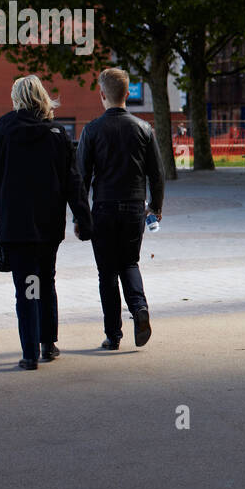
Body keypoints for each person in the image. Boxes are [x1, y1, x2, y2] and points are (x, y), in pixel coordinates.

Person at [0, 75, 92, 370]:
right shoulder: (57, 133)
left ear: (16, 98)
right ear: (43, 97)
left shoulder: (4, 130)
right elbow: (74, 181)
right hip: (47, 224)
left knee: (27, 286)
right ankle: (48, 343)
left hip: (16, 225)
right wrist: (83, 219)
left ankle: (29, 352)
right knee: (46, 281)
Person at [77, 68, 165, 351]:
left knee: (107, 273)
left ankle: (113, 335)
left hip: (102, 207)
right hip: (133, 207)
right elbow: (157, 173)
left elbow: (82, 177)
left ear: (102, 94)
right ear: (127, 94)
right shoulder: (144, 129)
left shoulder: (91, 130)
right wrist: (156, 206)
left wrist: (81, 216)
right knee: (129, 263)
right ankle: (139, 309)